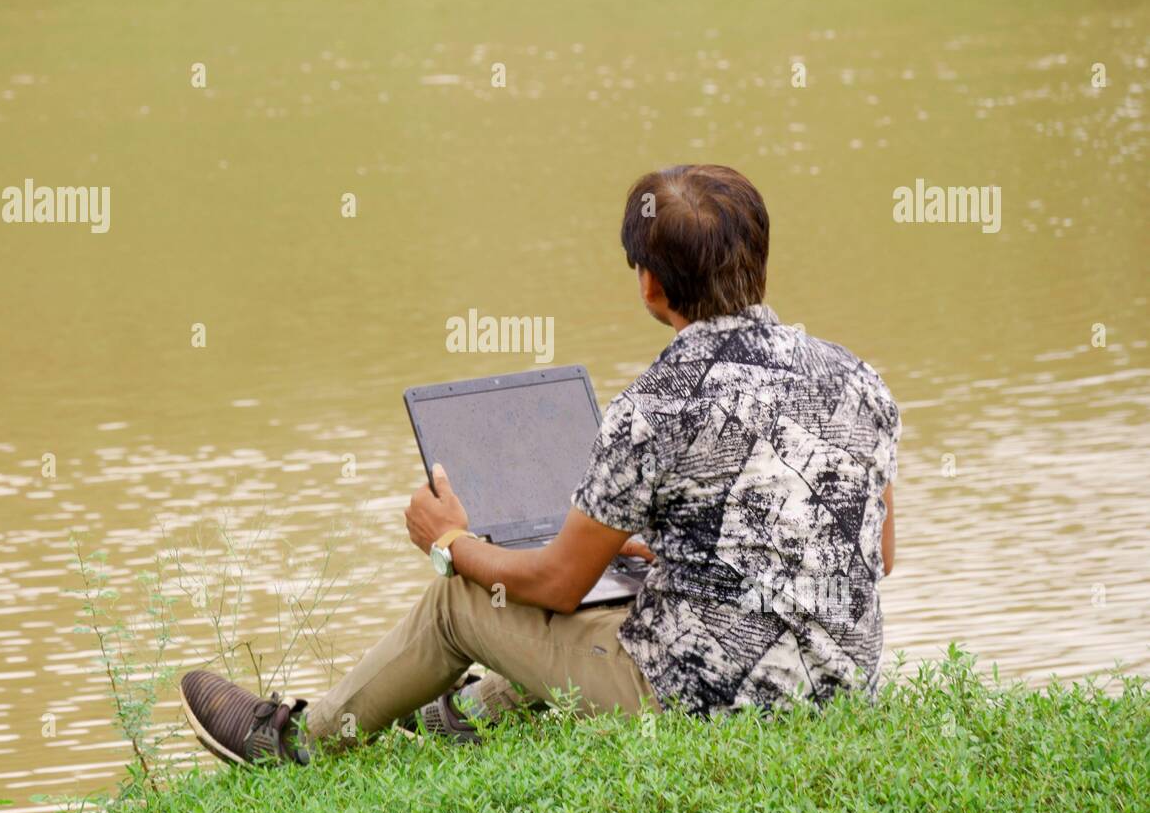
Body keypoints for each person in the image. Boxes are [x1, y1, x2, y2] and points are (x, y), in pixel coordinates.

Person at [179, 164, 901, 766]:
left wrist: (450, 543)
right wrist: (672, 546)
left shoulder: (653, 406)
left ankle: (295, 743)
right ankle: (461, 718)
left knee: (462, 598)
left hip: (709, 707)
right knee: (627, 577)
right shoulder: (857, 378)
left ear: (649, 283)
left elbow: (556, 586)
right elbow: (878, 552)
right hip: (844, 689)